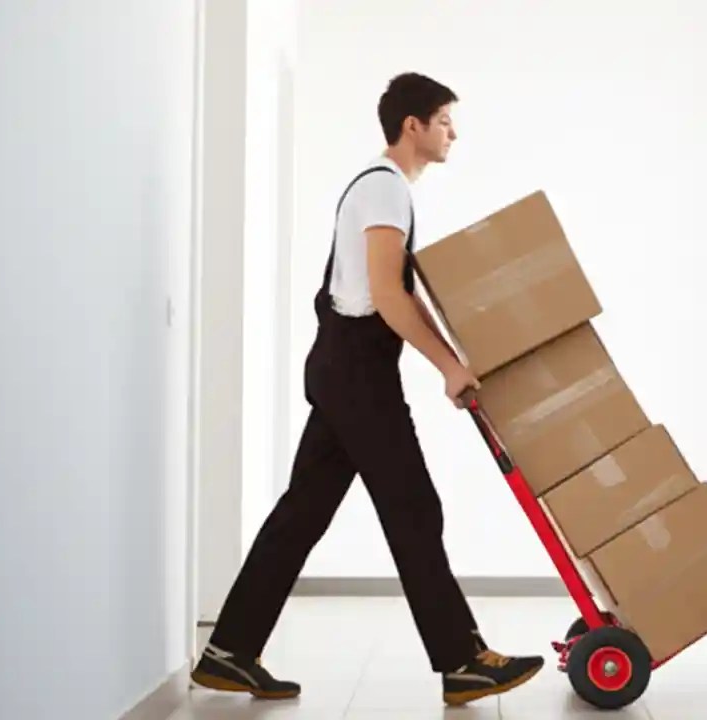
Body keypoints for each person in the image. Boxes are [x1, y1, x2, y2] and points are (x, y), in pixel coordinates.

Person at [190, 72, 545, 706]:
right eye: (444, 121)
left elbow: (401, 294)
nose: (452, 133)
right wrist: (446, 367)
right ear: (413, 125)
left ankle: (229, 650)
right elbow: (386, 297)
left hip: (345, 365)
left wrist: (454, 357)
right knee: (413, 508)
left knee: (303, 512)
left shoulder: (385, 191)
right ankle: (463, 660)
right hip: (356, 369)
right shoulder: (385, 191)